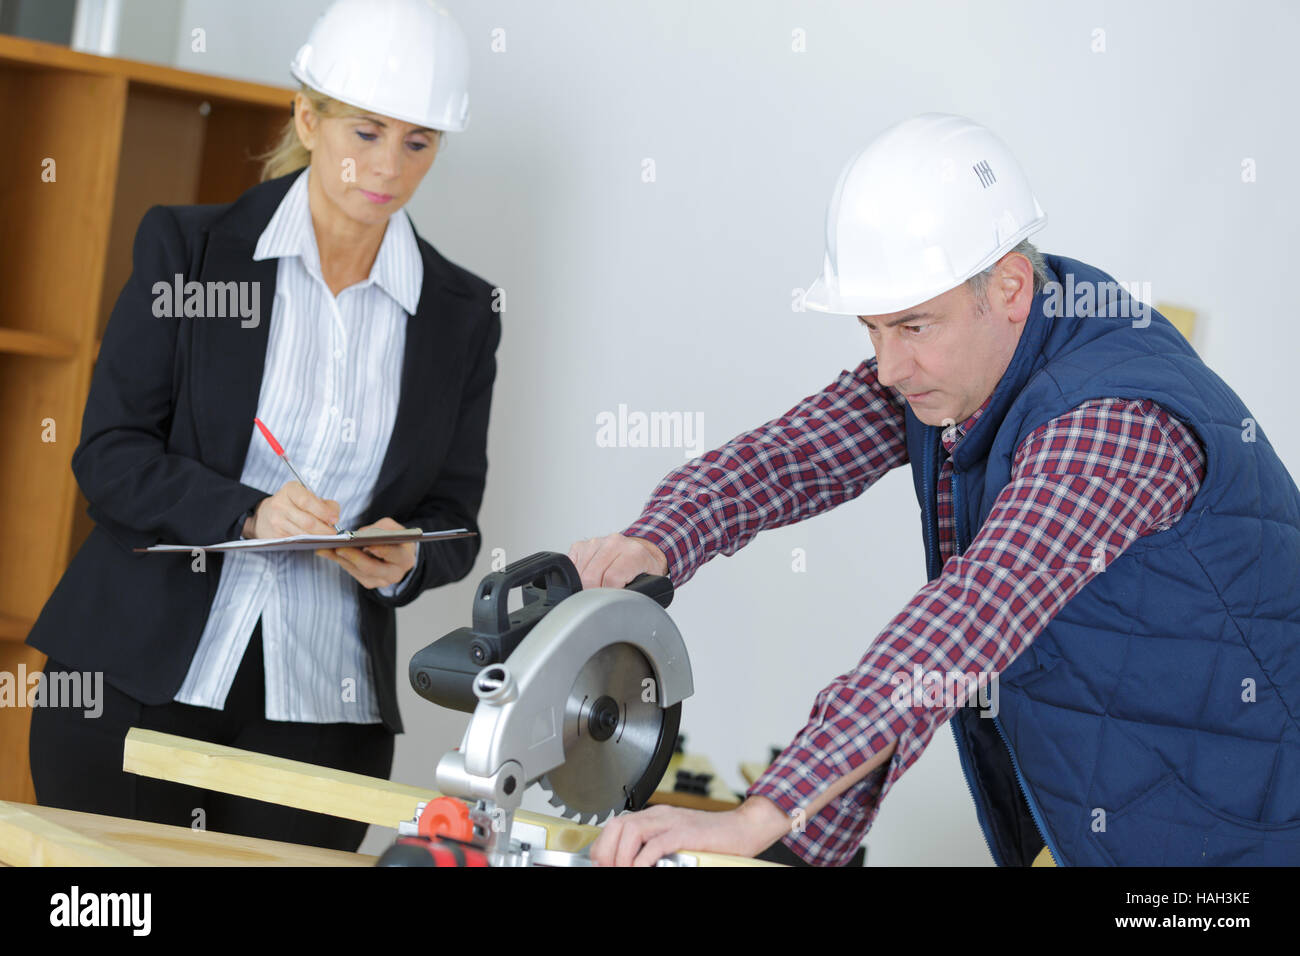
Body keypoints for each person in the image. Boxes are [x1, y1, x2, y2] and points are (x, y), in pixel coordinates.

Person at [573, 113, 1300, 867]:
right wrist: (656, 541)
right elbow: (790, 457)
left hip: (1243, 839)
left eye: (913, 327)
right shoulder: (971, 358)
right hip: (1107, 817)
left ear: (1011, 287)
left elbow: (966, 619)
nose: (888, 368)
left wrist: (765, 813)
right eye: (872, 329)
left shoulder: (1112, 424)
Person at [25, 0, 500, 852]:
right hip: (134, 686)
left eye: (418, 141)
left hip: (323, 717)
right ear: (308, 118)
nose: (388, 165)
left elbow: (456, 519)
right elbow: (109, 457)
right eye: (366, 131)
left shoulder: (460, 313)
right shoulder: (189, 251)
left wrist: (407, 556)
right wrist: (248, 514)